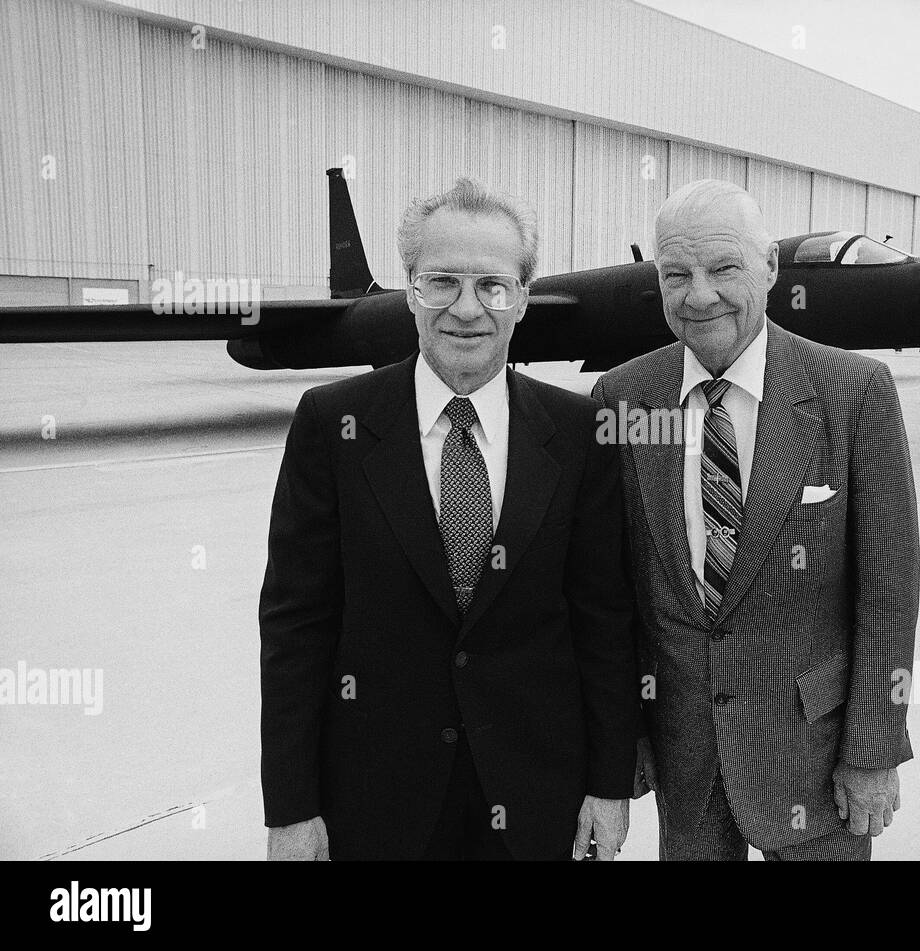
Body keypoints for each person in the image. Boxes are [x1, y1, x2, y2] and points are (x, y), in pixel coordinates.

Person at [260, 177, 639, 861]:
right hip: (374, 806)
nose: (467, 309)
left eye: (493, 285)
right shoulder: (331, 423)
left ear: (523, 297)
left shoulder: (581, 431)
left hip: (534, 800)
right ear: (410, 288)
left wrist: (608, 787)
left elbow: (604, 623)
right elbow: (296, 627)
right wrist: (291, 808)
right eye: (442, 283)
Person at [593, 179, 920, 861]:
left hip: (817, 756)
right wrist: (624, 739)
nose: (699, 294)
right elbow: (611, 592)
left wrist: (872, 752)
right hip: (686, 759)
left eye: (724, 268)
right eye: (675, 274)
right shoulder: (623, 398)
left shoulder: (854, 393)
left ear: (769, 265)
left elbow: (889, 594)